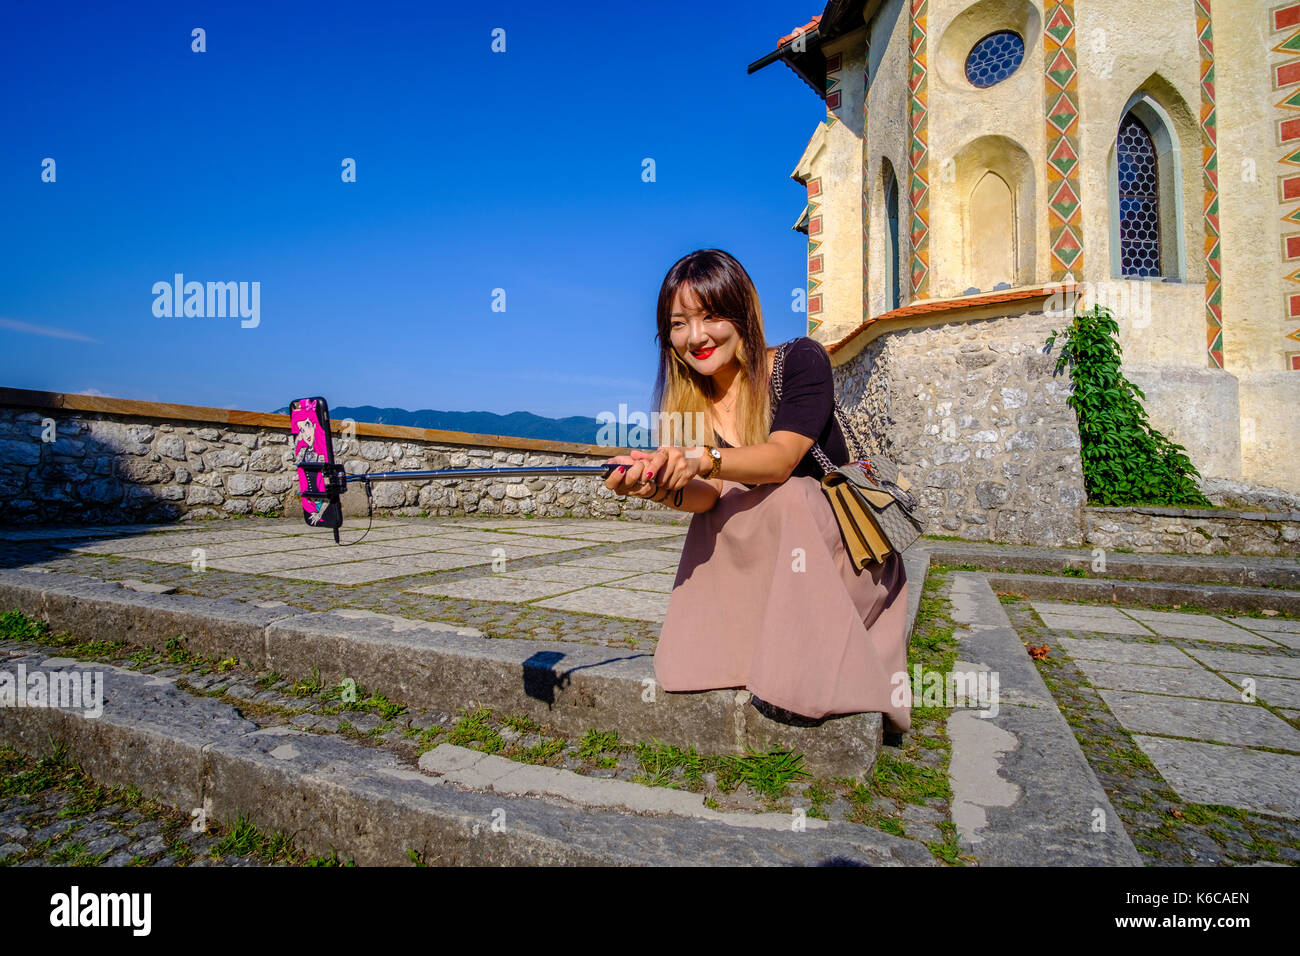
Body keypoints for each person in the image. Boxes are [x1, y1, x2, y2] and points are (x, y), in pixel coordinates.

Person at [604, 248, 911, 735]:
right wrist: (658, 487)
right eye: (679, 323)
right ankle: (728, 655)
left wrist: (703, 457)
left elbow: (781, 460)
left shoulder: (800, 361)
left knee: (786, 494)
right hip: (770, 560)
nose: (696, 336)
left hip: (839, 557)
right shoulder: (690, 404)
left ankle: (806, 669)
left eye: (710, 316)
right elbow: (706, 496)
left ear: (742, 312)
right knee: (723, 511)